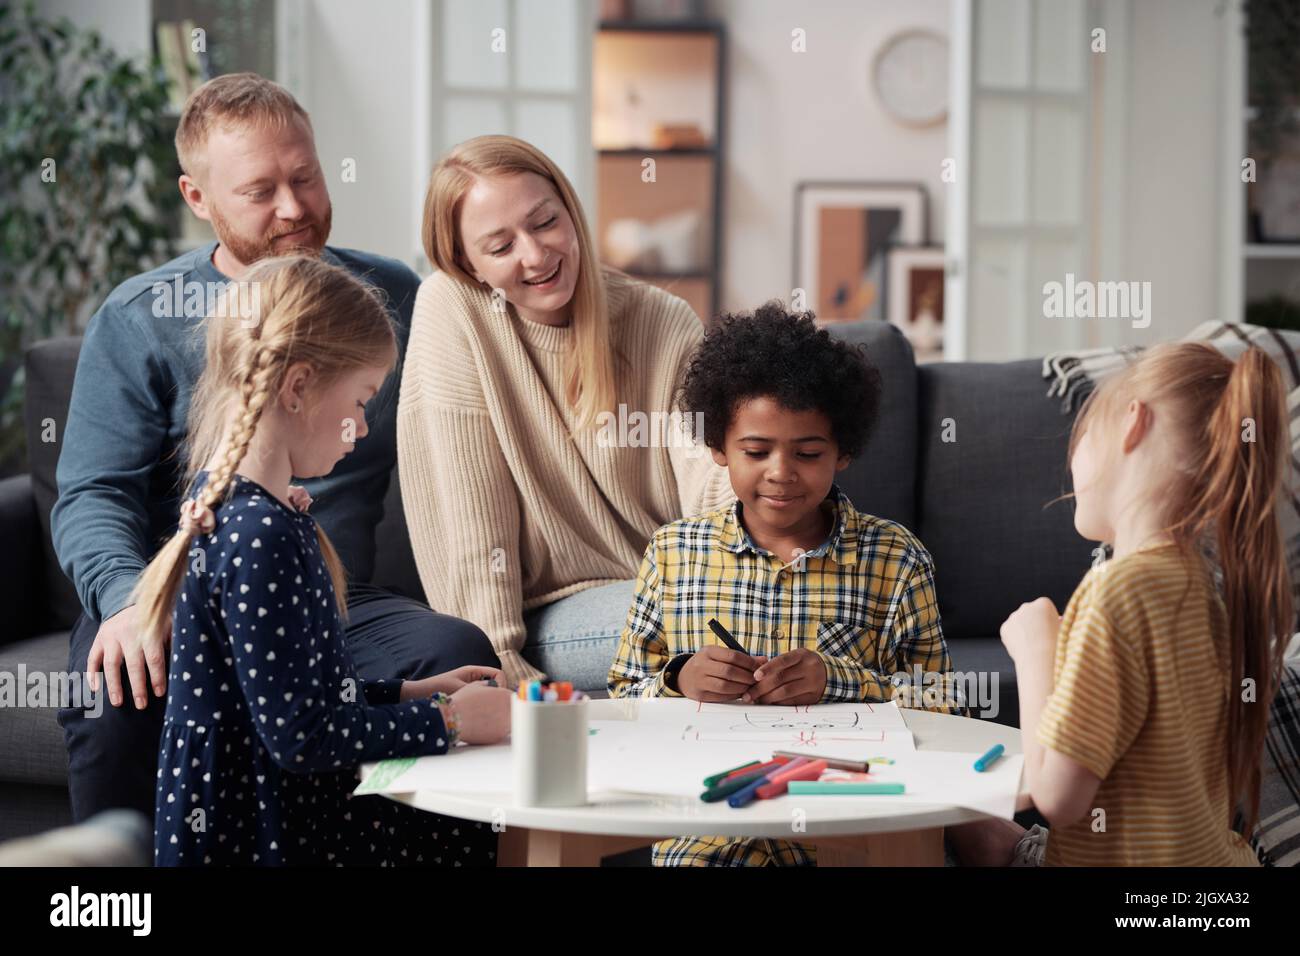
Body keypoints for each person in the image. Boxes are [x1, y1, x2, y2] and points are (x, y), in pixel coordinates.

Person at [54, 73, 497, 825]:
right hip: (187, 595)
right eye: (261, 191)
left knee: (457, 650)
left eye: (306, 177)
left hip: (340, 603)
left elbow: (491, 384)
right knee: (114, 685)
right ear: (198, 199)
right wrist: (132, 602)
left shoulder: (389, 297)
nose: (293, 209)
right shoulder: (139, 320)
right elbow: (94, 494)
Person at [135, 254, 512, 865]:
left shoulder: (252, 509)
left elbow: (298, 693)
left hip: (276, 807)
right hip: (261, 831)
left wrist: (412, 693)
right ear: (299, 386)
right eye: (362, 400)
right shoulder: (259, 534)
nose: (363, 428)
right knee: (462, 827)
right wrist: (448, 722)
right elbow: (301, 736)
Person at [608, 305, 964, 866]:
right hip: (709, 827)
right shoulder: (673, 554)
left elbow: (942, 708)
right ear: (719, 449)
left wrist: (837, 681)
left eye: (808, 453)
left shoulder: (896, 560)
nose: (781, 471)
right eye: (756, 451)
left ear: (842, 451)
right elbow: (623, 697)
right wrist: (679, 679)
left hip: (847, 822)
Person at [399, 134, 732, 690]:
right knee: (707, 630)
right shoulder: (452, 307)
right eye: (500, 247)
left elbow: (705, 475)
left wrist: (772, 517)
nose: (535, 255)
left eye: (544, 222)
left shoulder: (663, 320)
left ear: (570, 211)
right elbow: (473, 516)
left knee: (811, 614)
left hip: (669, 585)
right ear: (468, 264)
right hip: (548, 614)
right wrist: (499, 664)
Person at [1002, 342, 1292, 865]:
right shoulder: (1201, 584)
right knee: (983, 834)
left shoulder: (1114, 591)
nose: (1071, 465)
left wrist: (1035, 650)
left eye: (1081, 438)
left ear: (1132, 424)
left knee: (964, 828)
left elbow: (1056, 799)